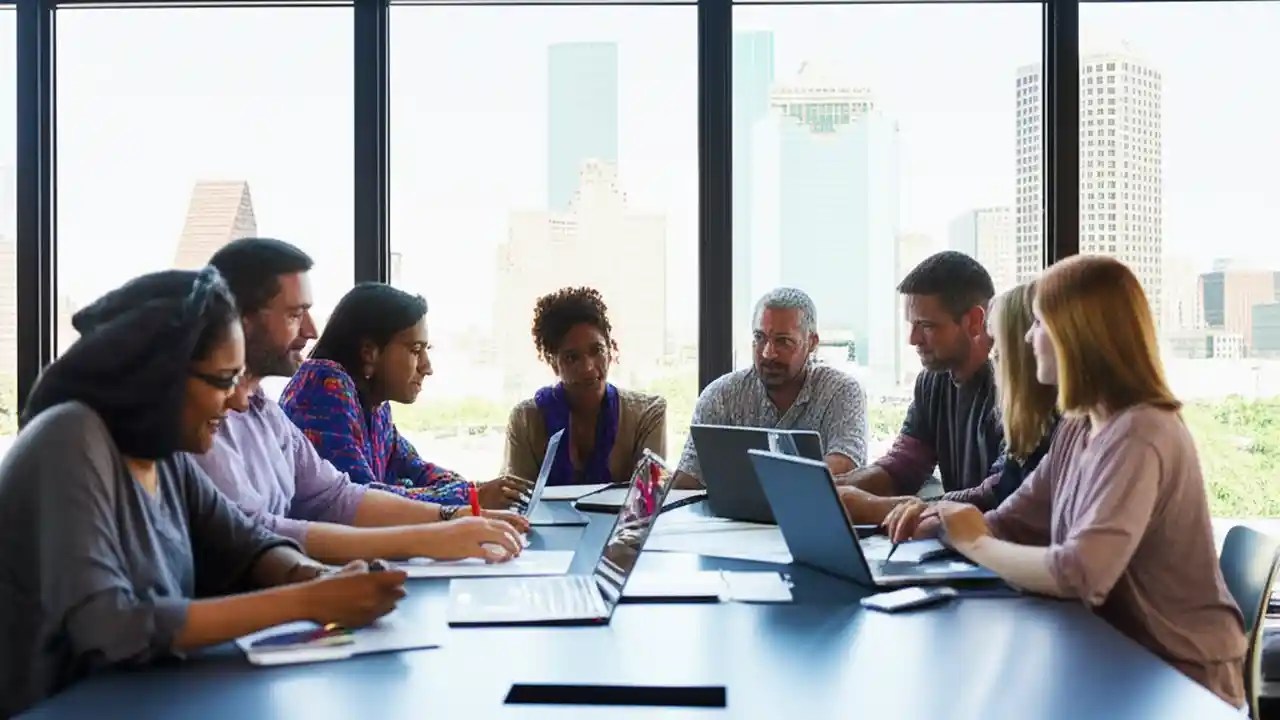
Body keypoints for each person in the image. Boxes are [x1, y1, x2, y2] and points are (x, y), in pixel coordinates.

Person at [0, 269, 409, 717]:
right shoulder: (70, 439)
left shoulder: (165, 456)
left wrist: (315, 578)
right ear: (163, 375)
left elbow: (247, 545)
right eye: (223, 381)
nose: (237, 402)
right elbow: (111, 626)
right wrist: (308, 602)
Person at [887, 255, 1247, 709]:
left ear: (1078, 337)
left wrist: (975, 543)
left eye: (1039, 323)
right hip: (1113, 658)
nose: (1027, 338)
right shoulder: (1079, 426)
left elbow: (1082, 574)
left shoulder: (1142, 433)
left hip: (1177, 680)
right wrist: (939, 518)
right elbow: (1009, 520)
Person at [193, 238, 526, 566]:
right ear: (240, 319)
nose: (311, 330)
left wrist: (458, 513)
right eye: (296, 314)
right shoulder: (316, 385)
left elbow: (337, 496)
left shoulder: (265, 411)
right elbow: (252, 534)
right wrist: (436, 532)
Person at [280, 283, 526, 509]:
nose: (427, 367)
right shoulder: (325, 384)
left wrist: (478, 489)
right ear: (370, 352)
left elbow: (416, 470)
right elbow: (361, 500)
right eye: (415, 350)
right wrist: (472, 498)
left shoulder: (376, 406)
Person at [873, 281, 1060, 527]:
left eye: (999, 353)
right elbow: (1003, 511)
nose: (913, 339)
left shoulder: (1061, 427)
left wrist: (925, 512)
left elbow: (996, 499)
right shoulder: (933, 383)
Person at [836, 251, 1003, 522]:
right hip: (957, 541)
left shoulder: (1015, 385)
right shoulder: (932, 381)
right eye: (912, 325)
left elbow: (1000, 494)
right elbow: (903, 467)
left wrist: (879, 507)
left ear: (974, 320)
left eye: (926, 326)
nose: (913, 339)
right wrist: (835, 488)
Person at [673, 287, 866, 489]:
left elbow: (845, 466)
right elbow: (688, 478)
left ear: (811, 342)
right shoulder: (721, 395)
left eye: (783, 341)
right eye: (760, 337)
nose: (767, 353)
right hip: (732, 519)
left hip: (810, 516)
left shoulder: (839, 391)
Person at [504, 287, 666, 487]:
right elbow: (516, 502)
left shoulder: (646, 415)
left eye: (596, 350)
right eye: (572, 357)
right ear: (552, 362)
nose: (588, 368)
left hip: (621, 520)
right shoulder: (526, 421)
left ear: (610, 349)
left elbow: (648, 499)